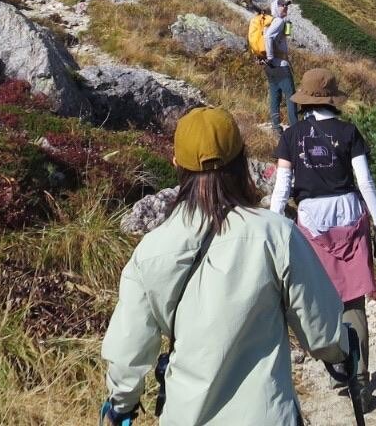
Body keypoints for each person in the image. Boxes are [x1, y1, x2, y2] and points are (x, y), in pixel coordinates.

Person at [100, 107, 353, 425]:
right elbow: (324, 334)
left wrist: (121, 405)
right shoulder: (275, 234)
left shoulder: (149, 252)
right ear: (241, 160)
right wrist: (342, 351)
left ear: (177, 165)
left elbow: (127, 354)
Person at [269, 69, 376, 398]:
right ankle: (360, 378)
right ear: (333, 99)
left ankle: (338, 369)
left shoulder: (291, 136)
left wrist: (273, 229)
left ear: (305, 100)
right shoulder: (349, 132)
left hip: (312, 220)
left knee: (322, 299)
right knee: (353, 299)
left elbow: (281, 189)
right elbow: (365, 181)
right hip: (349, 214)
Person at [263, 0, 298, 130]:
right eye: (282, 5)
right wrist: (270, 56)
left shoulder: (270, 22)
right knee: (291, 96)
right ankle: (295, 128)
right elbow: (268, 36)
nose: (285, 7)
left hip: (270, 67)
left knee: (275, 95)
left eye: (286, 5)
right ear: (276, 8)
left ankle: (276, 127)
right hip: (280, 66)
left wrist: (269, 59)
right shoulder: (278, 21)